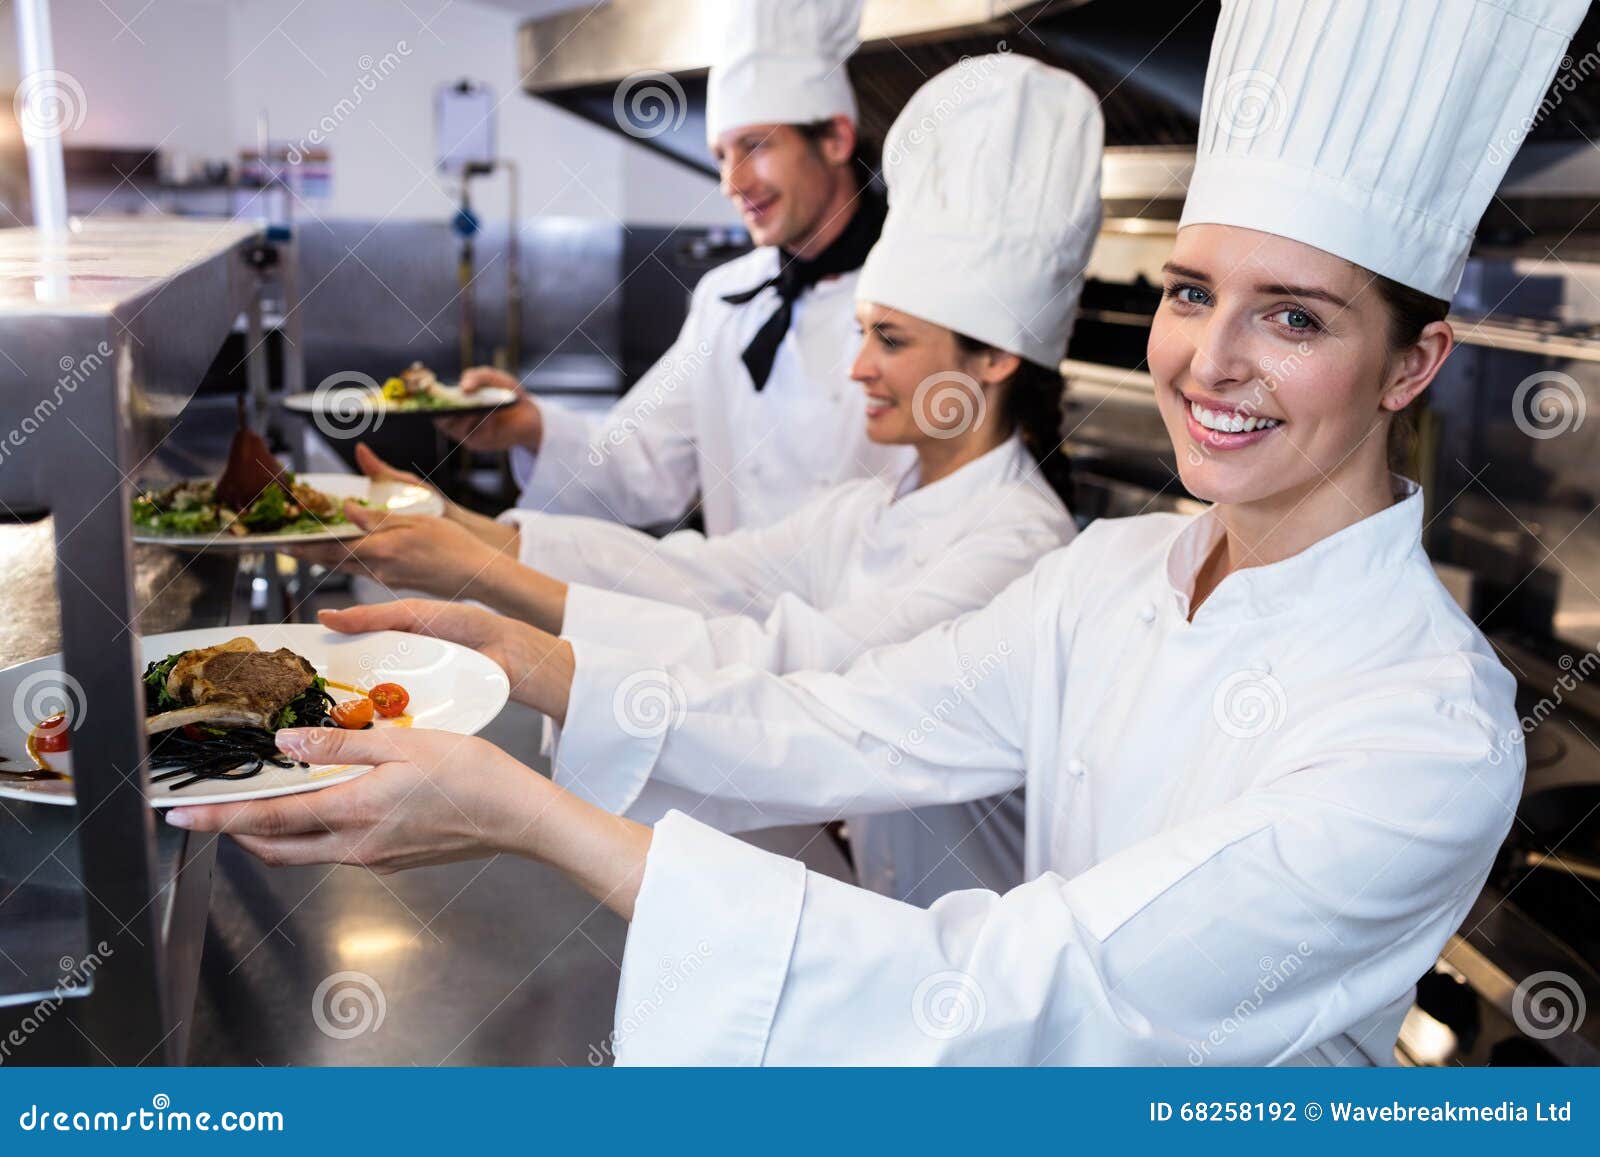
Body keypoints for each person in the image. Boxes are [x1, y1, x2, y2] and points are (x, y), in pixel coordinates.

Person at [168, 0, 1586, 1064]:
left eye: (1293, 317)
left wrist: (537, 817)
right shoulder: (1112, 574)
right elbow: (841, 711)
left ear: (1413, 362)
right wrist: (505, 639)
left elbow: (1039, 992)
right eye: (1188, 292)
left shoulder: (1425, 731)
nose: (1207, 361)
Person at [307, 55, 1099, 905]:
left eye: (891, 341)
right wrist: (470, 534)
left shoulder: (1019, 547)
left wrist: (510, 612)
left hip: (972, 944)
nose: (857, 367)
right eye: (864, 333)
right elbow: (705, 577)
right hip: (864, 885)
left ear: (993, 357)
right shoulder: (873, 506)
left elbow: (805, 673)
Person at [431, 0, 911, 535]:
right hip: (735, 589)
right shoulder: (725, 297)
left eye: (755, 146)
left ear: (836, 139)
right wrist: (529, 427)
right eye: (722, 156)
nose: (733, 183)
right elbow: (646, 461)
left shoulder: (919, 293)